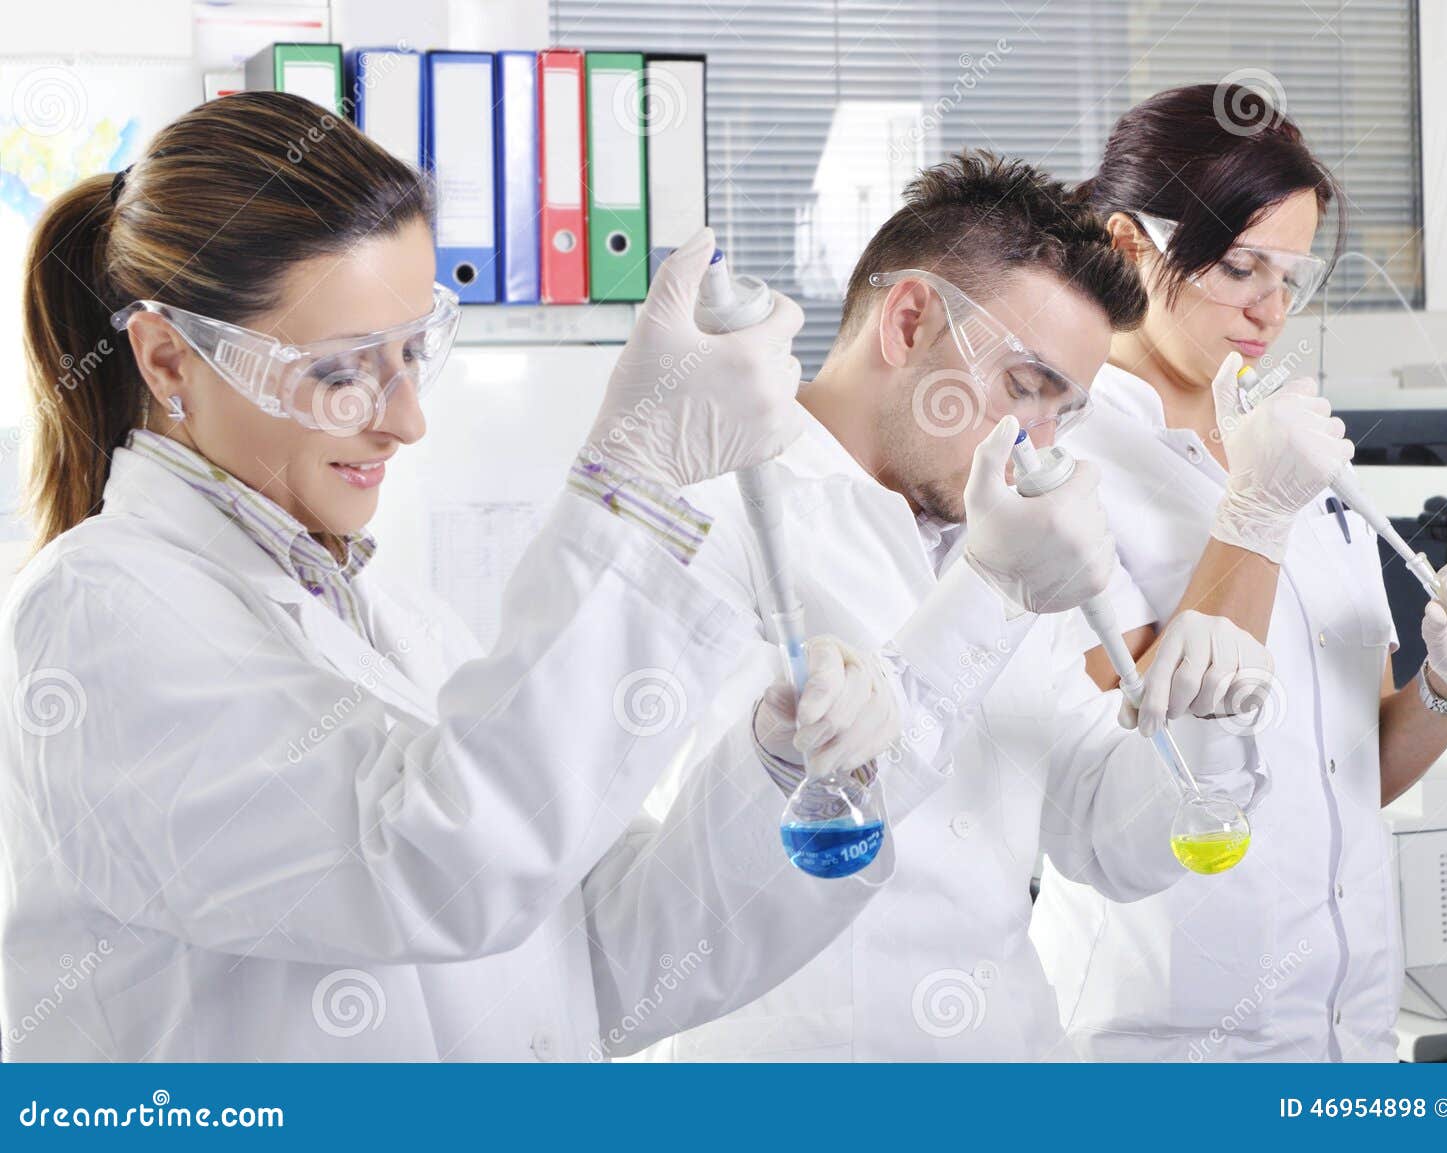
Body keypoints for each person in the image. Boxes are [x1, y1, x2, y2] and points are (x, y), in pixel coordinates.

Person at [0, 92, 978, 1061]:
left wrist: (773, 773)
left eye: (412, 351)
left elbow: (592, 961)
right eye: (341, 368)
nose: (404, 419)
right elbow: (432, 871)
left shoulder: (396, 618)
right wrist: (629, 483)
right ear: (170, 358)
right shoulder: (96, 615)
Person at [640, 152, 1280, 1062]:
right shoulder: (713, 511)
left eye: (1067, 412)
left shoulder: (1002, 533)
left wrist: (1205, 725)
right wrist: (991, 593)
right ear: (908, 321)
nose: (1040, 446)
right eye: (1026, 390)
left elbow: (1105, 844)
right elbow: (724, 878)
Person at [1028, 84, 1447, 1062]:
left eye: (1290, 277)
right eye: (1238, 267)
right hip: (1164, 1057)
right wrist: (1252, 518)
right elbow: (1159, 767)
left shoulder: (1285, 446)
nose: (1270, 308)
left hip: (1346, 1039)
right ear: (1131, 244)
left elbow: (1353, 772)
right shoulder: (1062, 466)